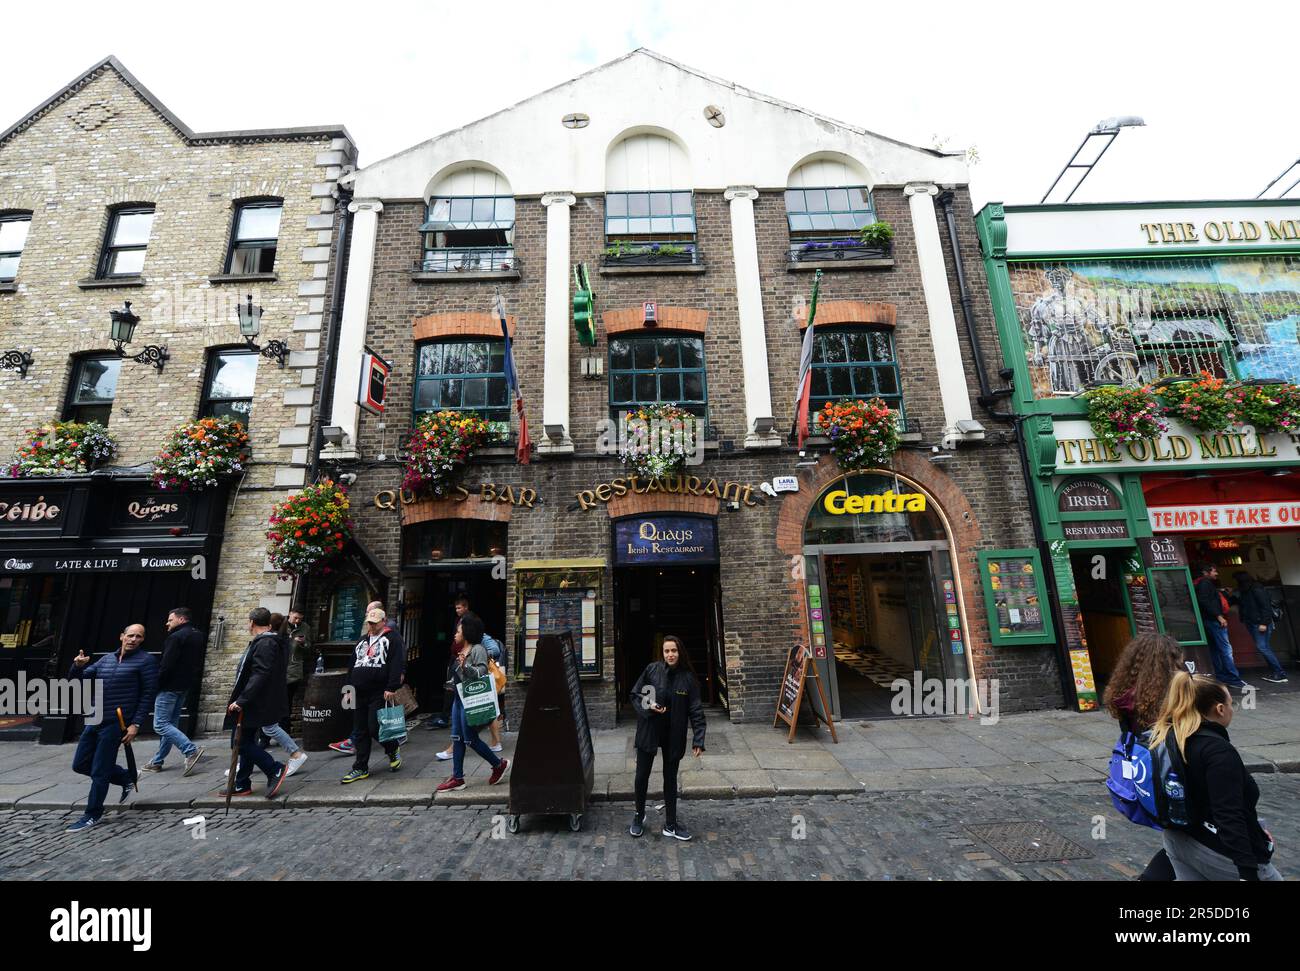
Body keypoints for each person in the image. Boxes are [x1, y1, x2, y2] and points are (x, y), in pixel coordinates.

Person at [1149, 672, 1282, 880]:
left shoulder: (1169, 737)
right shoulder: (1217, 751)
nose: (1232, 709)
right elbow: (1228, 815)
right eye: (1231, 703)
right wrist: (1248, 872)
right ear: (1220, 709)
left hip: (1178, 840)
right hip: (1216, 849)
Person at [1102, 632, 1185, 881]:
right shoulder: (1171, 696)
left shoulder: (1126, 693)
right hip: (1171, 770)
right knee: (1186, 837)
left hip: (1144, 768)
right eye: (1178, 661)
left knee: (1180, 838)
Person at [65, 624, 158, 832]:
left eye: (138, 636)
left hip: (117, 724)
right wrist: (77, 666)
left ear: (142, 640)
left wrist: (135, 724)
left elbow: (148, 695)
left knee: (99, 771)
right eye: (130, 635)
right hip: (94, 719)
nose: (133, 639)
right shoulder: (106, 659)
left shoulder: (146, 661)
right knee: (80, 764)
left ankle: (92, 814)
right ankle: (125, 777)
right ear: (121, 636)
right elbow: (78, 681)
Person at [628, 634, 705, 841]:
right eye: (667, 651)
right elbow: (637, 695)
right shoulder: (653, 671)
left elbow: (696, 709)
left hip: (674, 733)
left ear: (680, 652)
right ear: (662, 653)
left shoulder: (688, 678)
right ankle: (639, 815)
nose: (670, 654)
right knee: (641, 775)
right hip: (649, 729)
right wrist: (650, 705)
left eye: (674, 650)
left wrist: (699, 738)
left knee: (670, 779)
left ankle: (670, 824)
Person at [435, 614, 509, 792]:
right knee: (457, 737)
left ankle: (498, 764)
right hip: (459, 699)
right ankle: (458, 777)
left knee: (469, 738)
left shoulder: (478, 649)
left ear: (467, 631)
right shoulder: (461, 650)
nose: (455, 633)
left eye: (458, 630)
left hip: (471, 701)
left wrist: (465, 667)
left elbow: (482, 672)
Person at [224, 608, 291, 799]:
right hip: (254, 700)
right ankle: (242, 783)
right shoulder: (265, 642)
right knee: (246, 740)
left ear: (252, 622)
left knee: (239, 743)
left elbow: (260, 674)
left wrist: (242, 700)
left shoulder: (266, 643)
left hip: (253, 702)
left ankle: (274, 768)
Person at [341, 607, 406, 783]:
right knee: (360, 729)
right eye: (369, 622)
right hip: (359, 689)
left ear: (383, 621)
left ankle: (392, 748)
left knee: (374, 727)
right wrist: (348, 688)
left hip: (378, 690)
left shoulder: (392, 638)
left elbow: (396, 663)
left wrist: (392, 687)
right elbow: (352, 664)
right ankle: (360, 767)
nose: (371, 626)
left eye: (375, 623)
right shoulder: (362, 640)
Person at [142, 607, 205, 775]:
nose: (167, 623)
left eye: (170, 620)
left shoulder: (176, 637)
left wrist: (156, 684)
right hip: (184, 685)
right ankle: (157, 761)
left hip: (169, 686)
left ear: (181, 619)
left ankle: (191, 750)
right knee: (171, 723)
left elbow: (166, 664)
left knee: (161, 724)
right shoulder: (197, 635)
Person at [329, 600, 383, 755]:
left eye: (369, 612)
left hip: (376, 687)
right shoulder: (364, 637)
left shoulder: (388, 633)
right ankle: (357, 749)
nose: (366, 616)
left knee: (372, 723)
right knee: (361, 719)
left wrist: (392, 683)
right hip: (359, 686)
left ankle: (390, 744)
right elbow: (354, 661)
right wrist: (348, 686)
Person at [1194, 563, 1250, 692]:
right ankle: (1233, 678)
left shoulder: (1200, 583)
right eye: (1214, 571)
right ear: (1205, 572)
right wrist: (1218, 616)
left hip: (1208, 620)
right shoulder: (1205, 584)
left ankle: (1221, 675)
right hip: (1214, 621)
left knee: (1215, 649)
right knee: (1226, 649)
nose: (1216, 573)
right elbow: (1205, 601)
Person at [1234, 572, 1289, 684]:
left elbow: (1265, 606)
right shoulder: (1248, 589)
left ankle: (1280, 673)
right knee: (1264, 647)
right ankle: (1276, 672)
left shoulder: (1256, 589)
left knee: (1263, 647)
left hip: (1259, 623)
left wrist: (1264, 623)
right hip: (1253, 622)